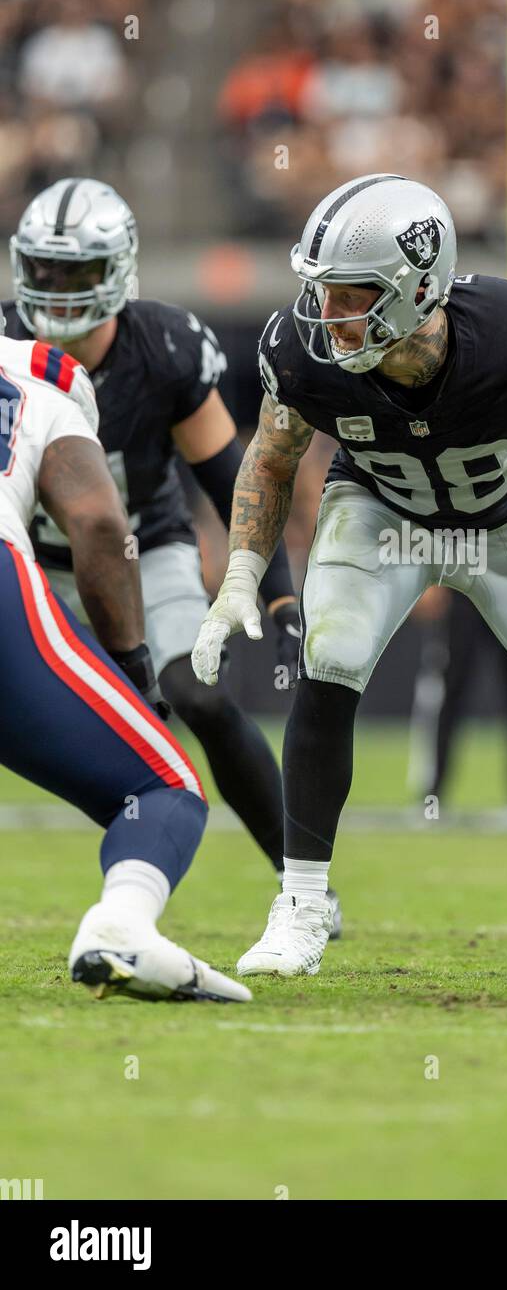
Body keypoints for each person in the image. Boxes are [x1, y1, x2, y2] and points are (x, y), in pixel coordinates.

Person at [192, 173, 507, 981]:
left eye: (351, 295)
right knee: (329, 662)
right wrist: (240, 577)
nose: (326, 317)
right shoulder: (301, 350)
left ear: (416, 287)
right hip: (380, 509)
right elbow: (272, 454)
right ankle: (301, 902)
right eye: (320, 294)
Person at [5, 176, 341, 936]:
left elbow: (233, 481)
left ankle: (303, 885)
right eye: (45, 271)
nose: (57, 292)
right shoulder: (6, 343)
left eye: (77, 273)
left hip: (138, 548)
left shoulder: (164, 348)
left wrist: (278, 594)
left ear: (119, 272)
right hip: (25, 551)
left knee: (199, 697)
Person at [0, 307, 248, 1002]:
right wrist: (130, 662)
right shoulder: (45, 385)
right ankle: (121, 925)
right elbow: (98, 522)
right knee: (162, 784)